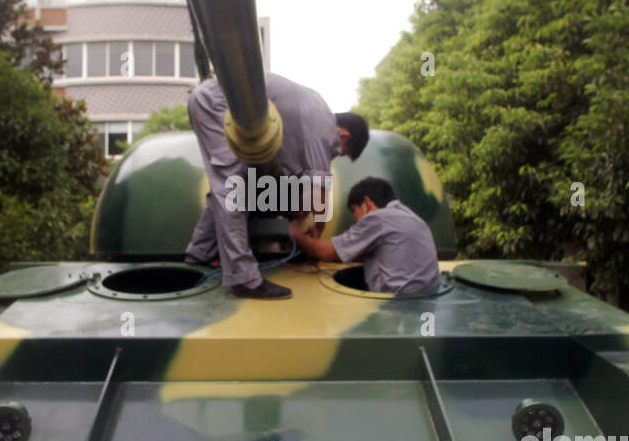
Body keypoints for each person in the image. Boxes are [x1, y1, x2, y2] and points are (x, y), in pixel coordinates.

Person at [186, 72, 369, 299]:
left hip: (218, 102)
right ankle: (244, 279)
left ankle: (200, 252)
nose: (333, 155)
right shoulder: (323, 128)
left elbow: (299, 179)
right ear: (343, 134)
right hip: (220, 103)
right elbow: (318, 190)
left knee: (227, 184)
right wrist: (317, 228)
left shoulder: (310, 118)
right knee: (233, 187)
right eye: (340, 151)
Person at [287, 177, 442, 296]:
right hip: (424, 301)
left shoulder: (379, 218)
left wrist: (294, 233)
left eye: (354, 211)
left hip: (397, 307)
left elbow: (325, 252)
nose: (354, 219)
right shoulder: (411, 217)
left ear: (367, 202)